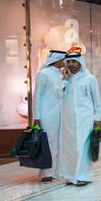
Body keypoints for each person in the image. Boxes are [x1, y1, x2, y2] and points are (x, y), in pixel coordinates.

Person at [55, 46, 101, 185]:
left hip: (85, 118)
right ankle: (70, 176)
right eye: (68, 62)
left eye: (74, 62)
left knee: (83, 146)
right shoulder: (64, 79)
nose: (71, 65)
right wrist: (64, 79)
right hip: (68, 120)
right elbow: (57, 95)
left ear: (80, 63)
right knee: (69, 147)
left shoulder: (90, 78)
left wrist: (97, 118)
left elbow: (96, 100)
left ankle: (84, 176)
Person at [33, 49, 67, 183]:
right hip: (46, 114)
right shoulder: (43, 74)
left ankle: (57, 171)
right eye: (63, 59)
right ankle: (46, 173)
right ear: (58, 60)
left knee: (59, 143)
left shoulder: (62, 74)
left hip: (60, 114)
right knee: (49, 143)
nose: (65, 62)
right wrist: (37, 116)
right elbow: (37, 97)